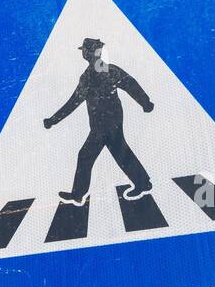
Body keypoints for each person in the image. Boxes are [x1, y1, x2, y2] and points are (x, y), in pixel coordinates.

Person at [44, 37, 154, 205]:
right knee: (119, 151)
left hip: (103, 124)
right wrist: (145, 103)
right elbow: (130, 84)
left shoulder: (90, 76)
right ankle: (143, 182)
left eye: (84, 51)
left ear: (88, 53)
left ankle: (78, 194)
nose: (84, 54)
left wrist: (53, 120)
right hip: (112, 120)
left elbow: (73, 103)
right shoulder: (108, 70)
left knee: (87, 155)